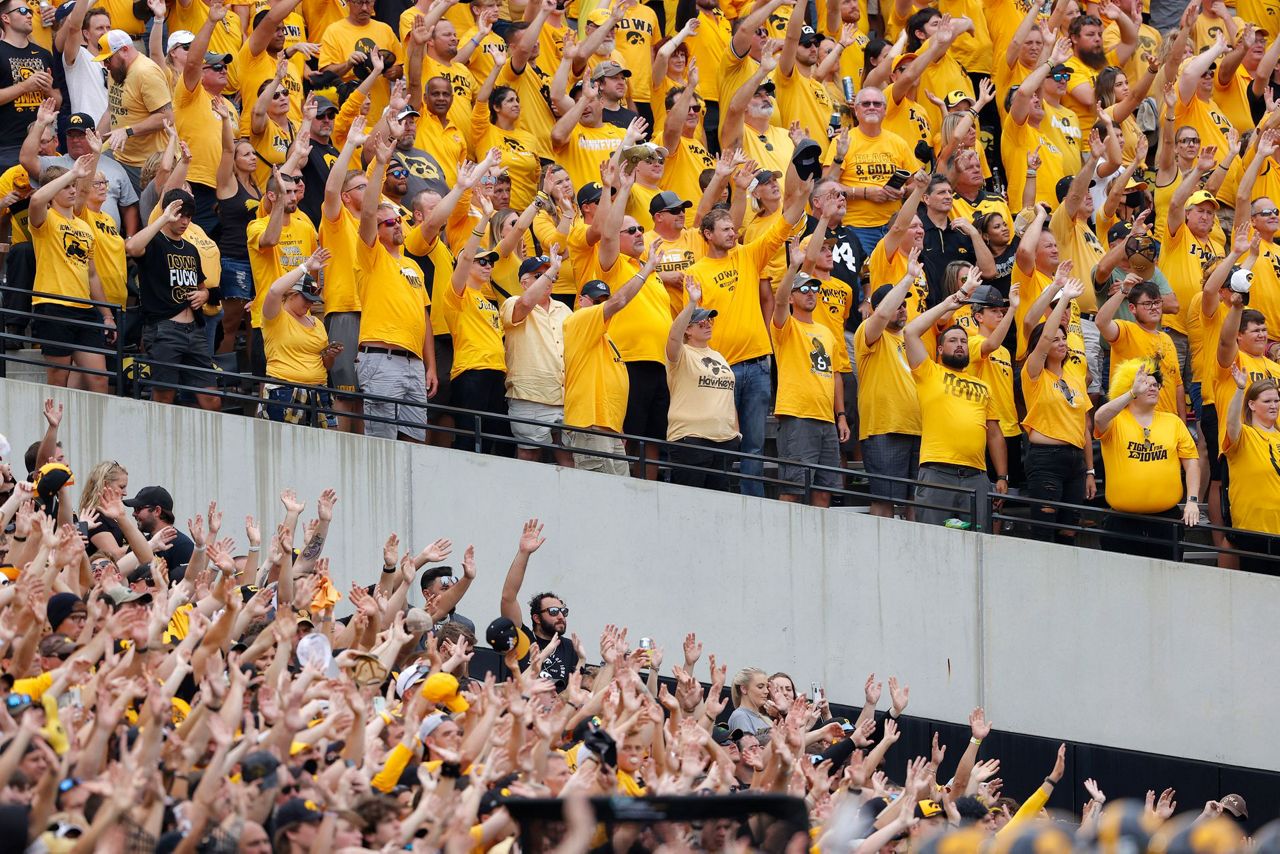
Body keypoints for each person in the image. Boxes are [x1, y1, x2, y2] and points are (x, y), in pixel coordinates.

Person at [686, 160, 810, 496]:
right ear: (707, 235)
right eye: (725, 229)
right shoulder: (695, 272)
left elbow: (783, 225)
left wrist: (804, 192)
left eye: (733, 228)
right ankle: (724, 498)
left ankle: (753, 502)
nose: (732, 233)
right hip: (718, 369)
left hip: (757, 364)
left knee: (754, 445)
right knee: (724, 439)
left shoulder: (748, 255)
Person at [903, 281, 1009, 528]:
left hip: (977, 475)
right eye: (953, 340)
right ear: (940, 349)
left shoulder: (983, 385)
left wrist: (1002, 476)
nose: (960, 344)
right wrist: (949, 304)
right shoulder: (929, 371)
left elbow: (994, 433)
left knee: (978, 542)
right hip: (938, 472)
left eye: (963, 340)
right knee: (932, 540)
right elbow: (910, 332)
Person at [354, 134, 436, 443]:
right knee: (381, 442)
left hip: (414, 363)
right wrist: (382, 165)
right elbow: (367, 211)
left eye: (398, 221)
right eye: (388, 223)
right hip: (381, 357)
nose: (397, 225)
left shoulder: (413, 266)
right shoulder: (371, 255)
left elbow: (423, 318)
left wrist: (430, 366)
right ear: (376, 230)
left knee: (417, 441)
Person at [561, 246, 662, 475]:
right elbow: (620, 301)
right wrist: (647, 269)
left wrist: (617, 426)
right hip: (591, 423)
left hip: (609, 426)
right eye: (596, 300)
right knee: (599, 494)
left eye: (604, 300)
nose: (601, 305)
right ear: (581, 300)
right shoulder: (578, 320)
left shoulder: (606, 337)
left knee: (619, 493)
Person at [1094, 360, 1201, 560]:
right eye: (1145, 384)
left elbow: (1192, 462)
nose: (1152, 388)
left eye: (1155, 384)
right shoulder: (1115, 421)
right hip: (1122, 521)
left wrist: (1192, 501)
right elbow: (1099, 418)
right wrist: (1131, 393)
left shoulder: (1173, 422)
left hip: (1166, 519)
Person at [124, 189, 221, 410]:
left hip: (195, 331)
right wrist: (163, 218)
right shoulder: (154, 241)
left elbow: (203, 287)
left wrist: (204, 294)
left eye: (188, 216)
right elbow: (131, 247)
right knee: (164, 397)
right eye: (179, 215)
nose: (184, 221)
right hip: (163, 329)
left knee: (212, 400)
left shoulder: (191, 249)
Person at [26, 155, 113, 392]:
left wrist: (107, 315)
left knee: (99, 378)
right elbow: (36, 201)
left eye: (73, 186)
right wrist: (72, 174)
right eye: (66, 187)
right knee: (58, 378)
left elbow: (92, 274)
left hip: (84, 308)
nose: (72, 190)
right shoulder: (45, 218)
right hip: (53, 304)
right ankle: (54, 428)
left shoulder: (84, 226)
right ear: (52, 190)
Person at [1020, 278, 1096, 543]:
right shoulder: (1034, 373)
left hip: (1075, 461)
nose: (1062, 342)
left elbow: (1084, 427)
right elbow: (1043, 341)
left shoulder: (1074, 377)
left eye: (1065, 338)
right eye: (1056, 339)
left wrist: (1090, 471)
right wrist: (1063, 298)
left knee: (1069, 531)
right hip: (1045, 458)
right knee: (1044, 528)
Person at [771, 251, 848, 507]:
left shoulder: (826, 331)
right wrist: (793, 267)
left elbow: (835, 374)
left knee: (825, 491)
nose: (810, 293)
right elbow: (779, 302)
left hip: (826, 419)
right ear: (792, 297)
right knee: (793, 488)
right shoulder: (787, 326)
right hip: (797, 416)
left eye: (813, 288)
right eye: (802, 289)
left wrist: (841, 416)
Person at [854, 250, 924, 518]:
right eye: (897, 304)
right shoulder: (869, 333)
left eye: (905, 304)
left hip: (916, 428)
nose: (902, 308)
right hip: (884, 428)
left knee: (915, 502)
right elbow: (881, 315)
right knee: (884, 501)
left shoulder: (910, 339)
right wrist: (907, 278)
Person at [500, 250, 575, 466]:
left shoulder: (564, 309)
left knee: (568, 457)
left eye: (549, 275)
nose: (548, 279)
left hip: (563, 396)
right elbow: (524, 306)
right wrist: (553, 269)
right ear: (524, 282)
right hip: (530, 396)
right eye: (539, 275)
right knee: (529, 455)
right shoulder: (513, 302)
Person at [664, 276, 739, 491]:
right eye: (701, 321)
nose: (707, 324)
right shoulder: (682, 354)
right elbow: (672, 337)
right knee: (689, 506)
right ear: (688, 329)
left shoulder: (718, 355)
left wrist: (735, 432)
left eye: (710, 320)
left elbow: (728, 394)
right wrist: (691, 304)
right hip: (692, 439)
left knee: (719, 506)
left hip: (724, 441)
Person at [258, 248, 338, 427]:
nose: (310, 303)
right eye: (306, 299)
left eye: (313, 300)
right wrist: (306, 267)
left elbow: (326, 365)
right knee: (282, 447)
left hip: (319, 393)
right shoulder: (275, 317)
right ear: (292, 294)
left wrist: (330, 355)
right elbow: (273, 291)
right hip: (286, 391)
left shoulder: (317, 323)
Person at [95, 28, 173, 192]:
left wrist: (128, 131)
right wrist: (96, 141)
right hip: (119, 155)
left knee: (148, 212)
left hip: (146, 163)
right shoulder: (117, 71)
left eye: (108, 59)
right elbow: (112, 109)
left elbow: (166, 117)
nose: (106, 65)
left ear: (124, 50)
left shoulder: (146, 73)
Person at [1223, 369, 1280, 572]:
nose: (1274, 405)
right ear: (1252, 405)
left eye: (1276, 400)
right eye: (1267, 401)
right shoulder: (1245, 435)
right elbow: (1231, 424)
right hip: (1255, 533)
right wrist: (1240, 389)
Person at [0, 0, 56, 172]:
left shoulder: (44, 54)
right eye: (23, 11)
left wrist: (48, 90)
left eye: (31, 11)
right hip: (8, 146)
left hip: (44, 145)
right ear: (5, 18)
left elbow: (59, 101)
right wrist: (25, 86)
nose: (30, 15)